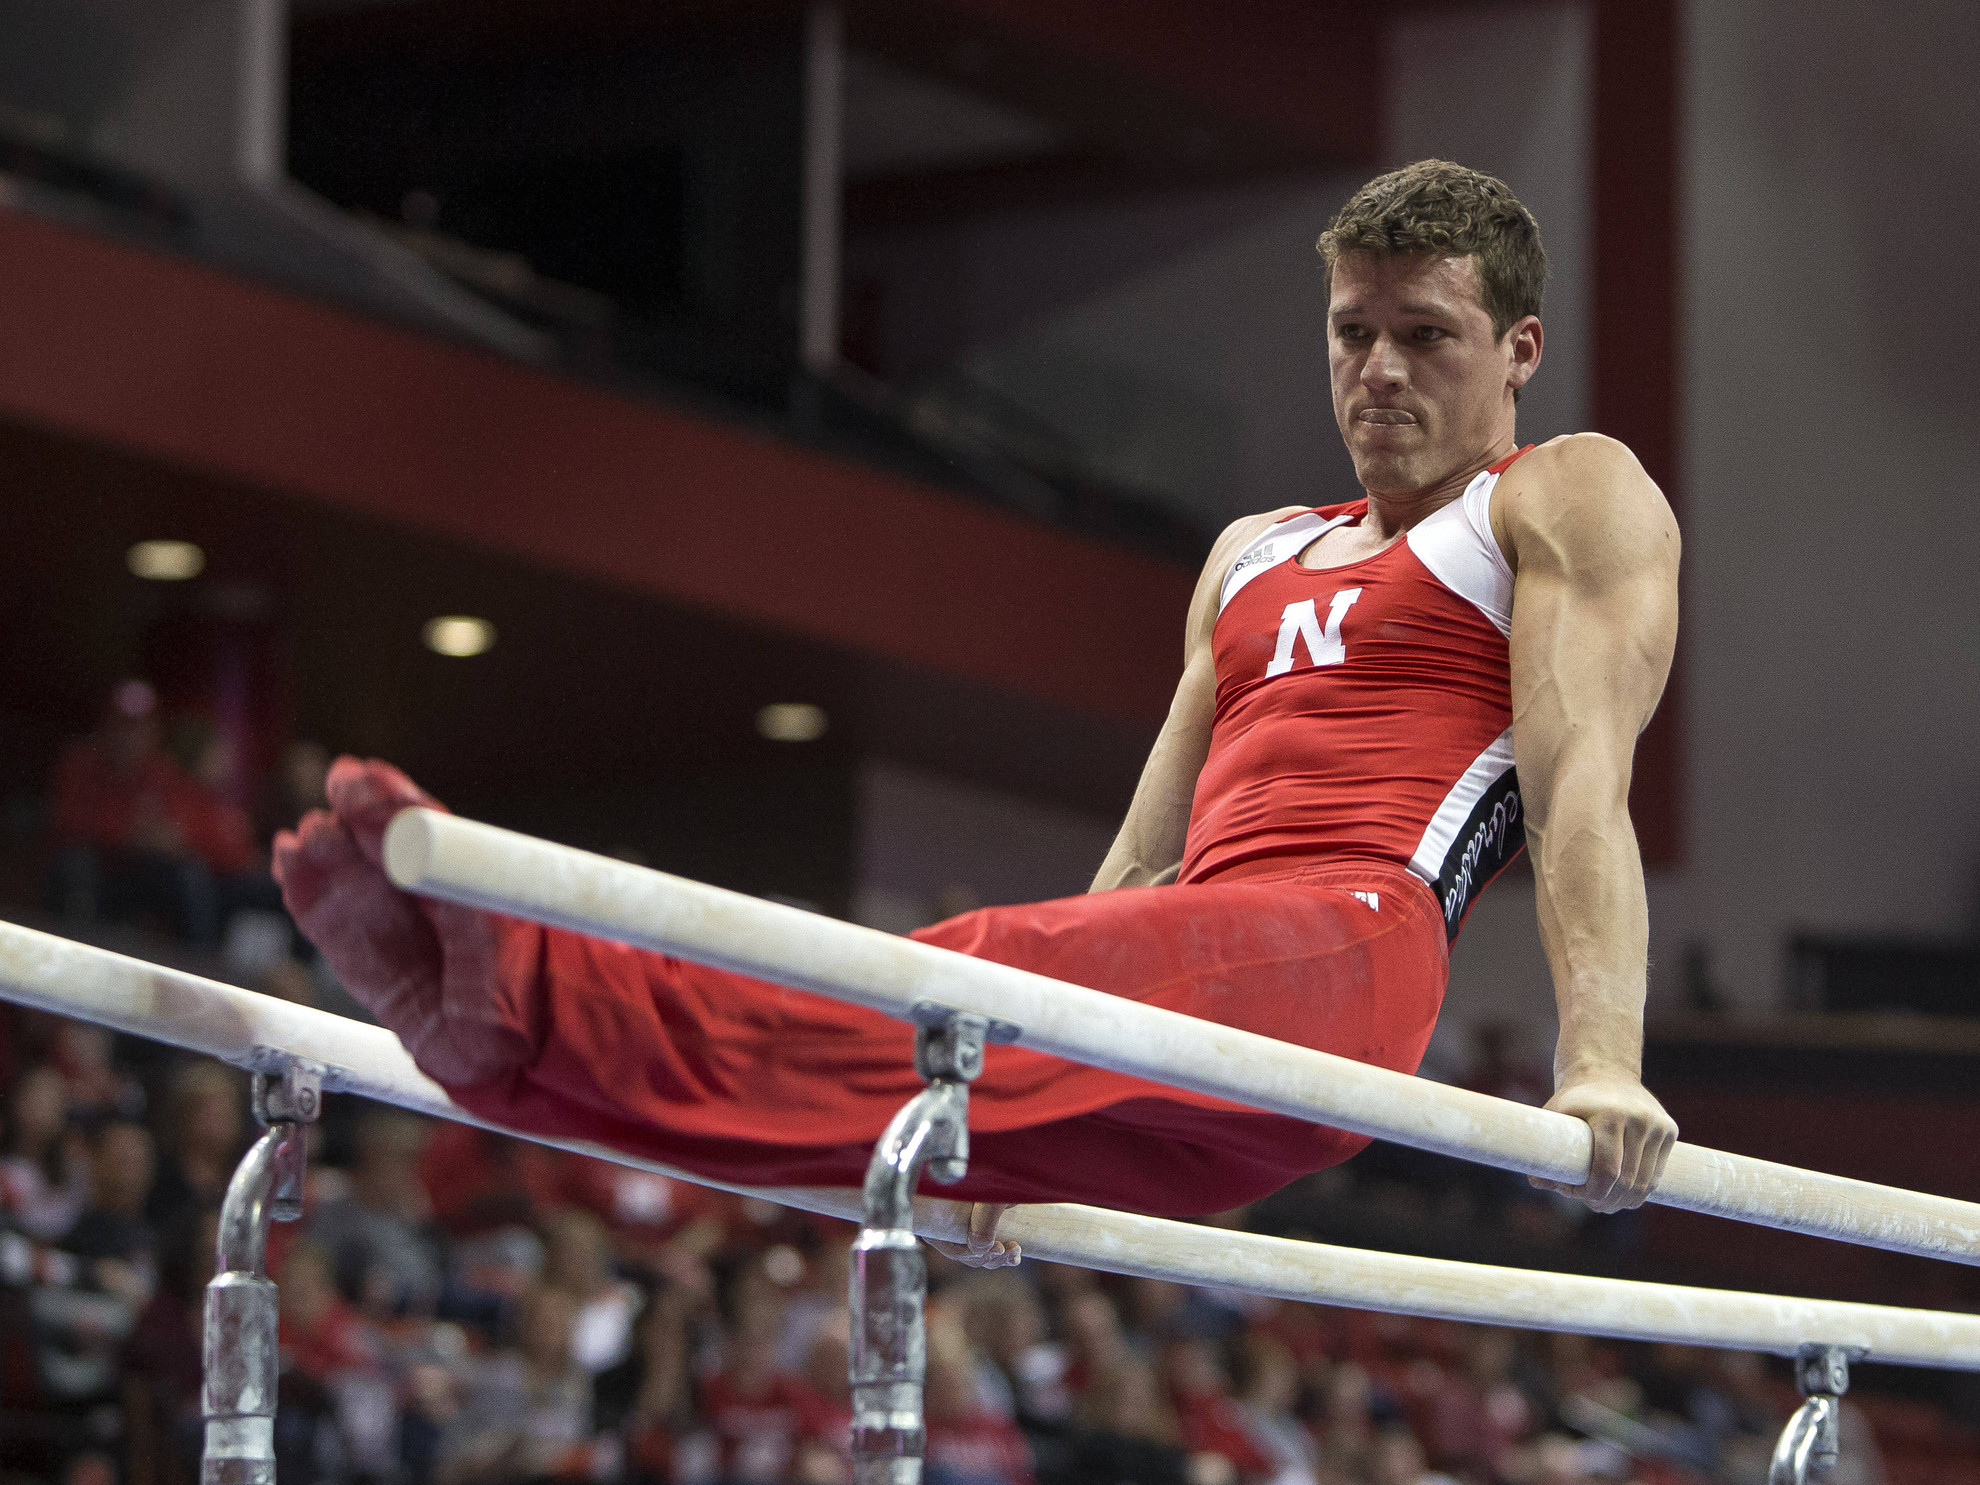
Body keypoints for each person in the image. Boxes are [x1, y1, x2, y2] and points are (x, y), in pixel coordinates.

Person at [272, 159, 1680, 1259]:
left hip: (1352, 955)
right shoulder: (1249, 552)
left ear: (1520, 350)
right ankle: (502, 1060)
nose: (1377, 371)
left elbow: (1576, 793)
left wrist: (1599, 1065)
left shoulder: (1554, 497)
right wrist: (1017, 1140)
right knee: (900, 1112)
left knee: (965, 976)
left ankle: (532, 984)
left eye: (1425, 335)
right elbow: (1140, 869)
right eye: (1351, 331)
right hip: (1211, 1003)